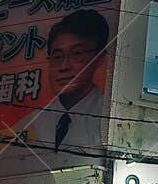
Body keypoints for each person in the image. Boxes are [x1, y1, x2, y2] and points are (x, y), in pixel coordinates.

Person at [26, 8, 109, 153]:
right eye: (57, 57)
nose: (64, 67)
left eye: (77, 54)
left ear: (99, 58)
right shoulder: (34, 121)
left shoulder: (109, 117)